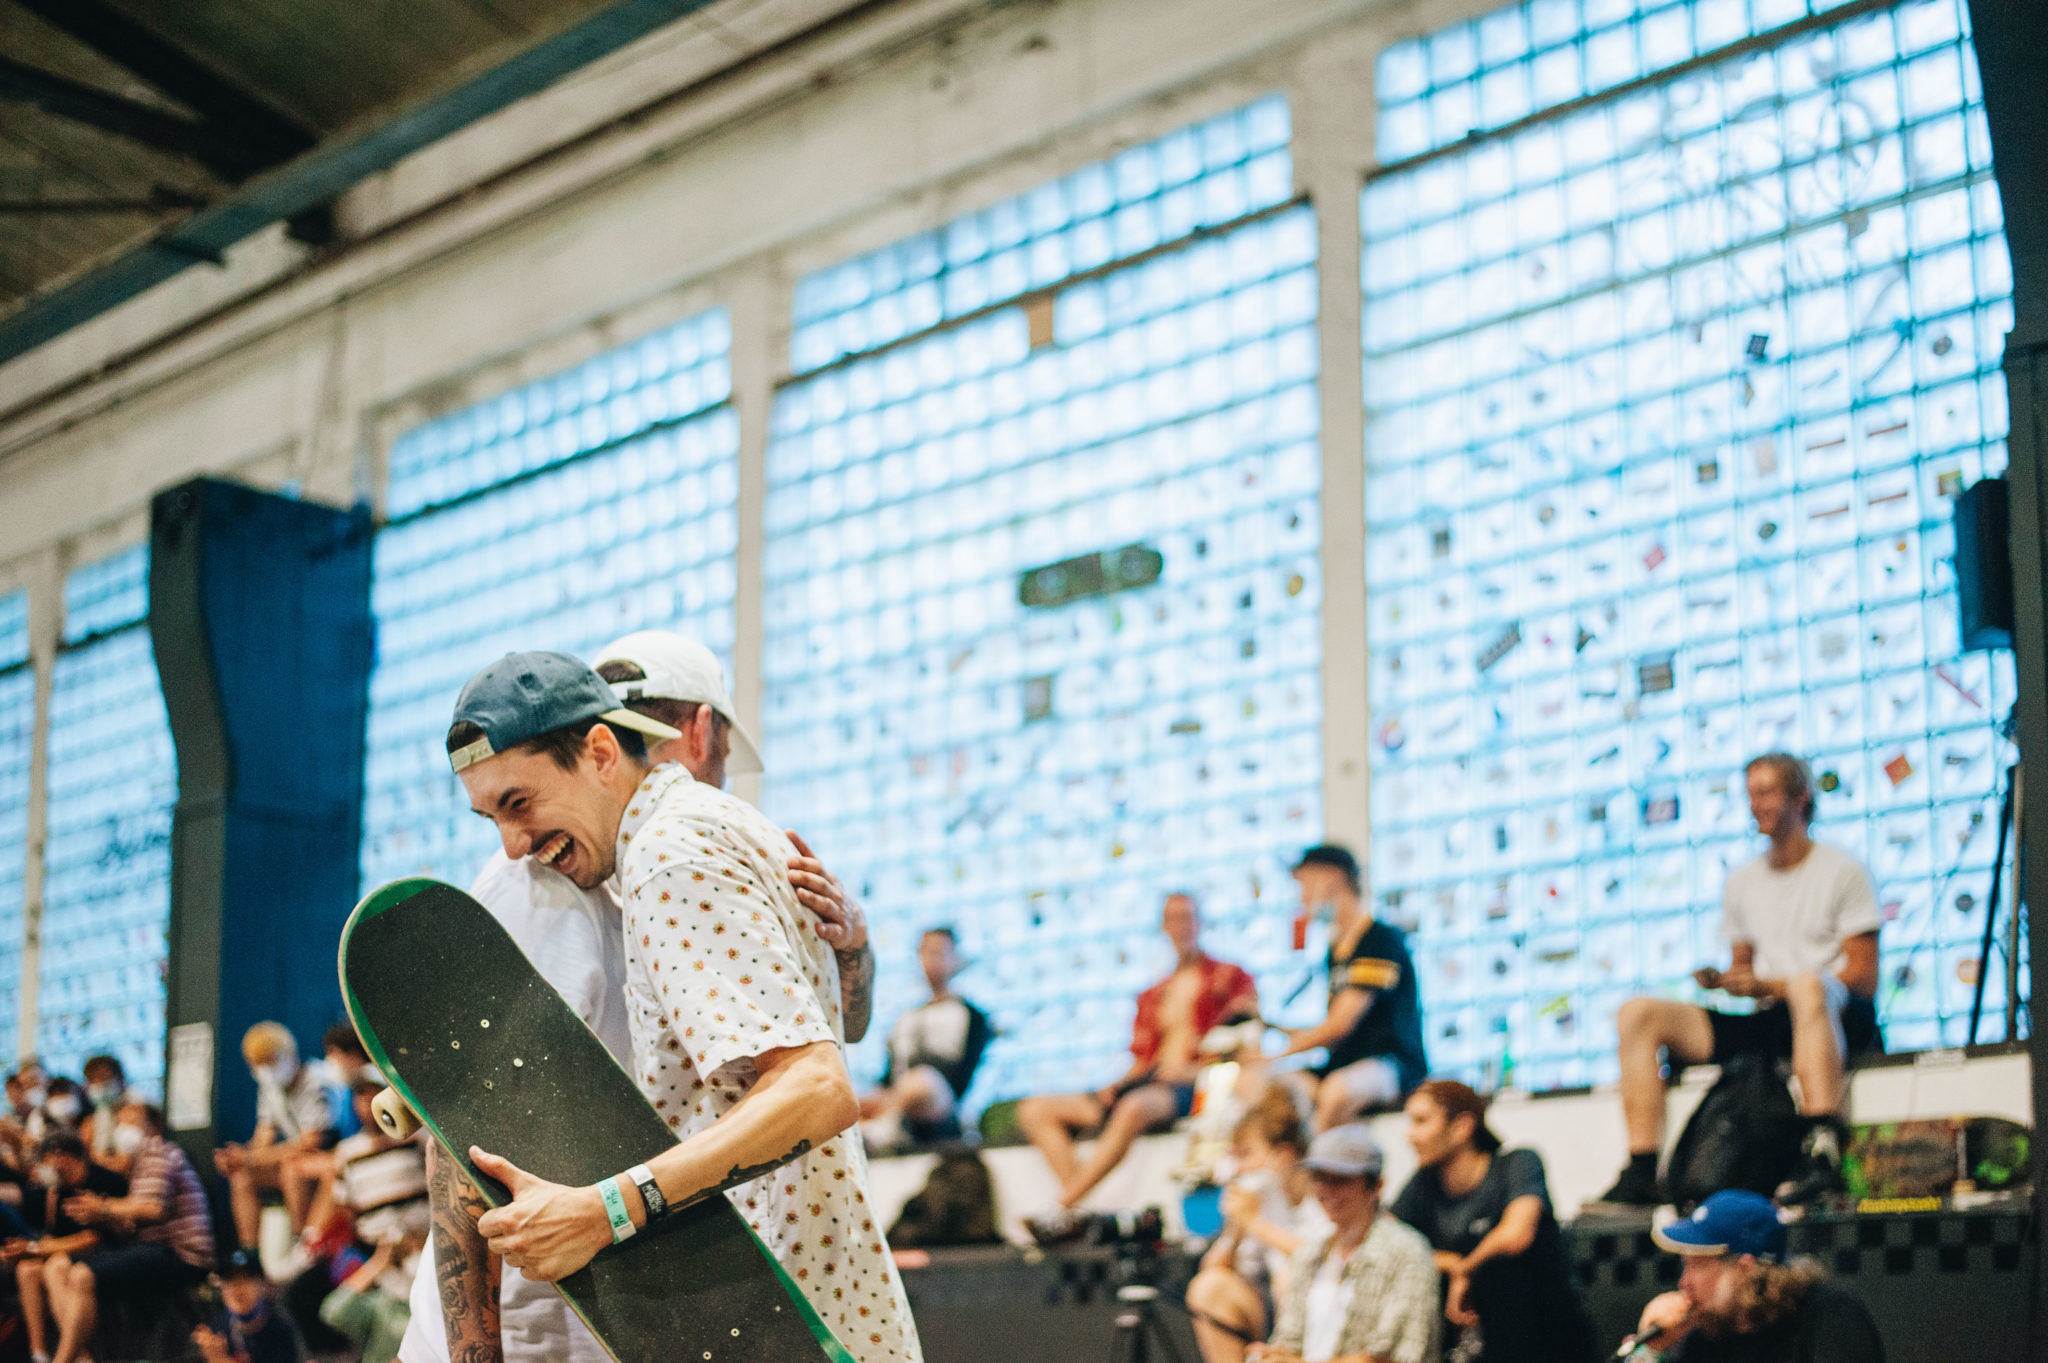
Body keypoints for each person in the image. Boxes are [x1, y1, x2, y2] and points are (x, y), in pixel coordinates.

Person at [436, 651, 920, 1363]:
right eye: (492, 817)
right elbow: (832, 1035)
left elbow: (817, 1088)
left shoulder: (669, 854)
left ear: (601, 750)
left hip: (781, 1315)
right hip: (811, 1304)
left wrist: (605, 1209)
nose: (514, 845)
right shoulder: (710, 826)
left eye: (520, 802)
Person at [1598, 754, 1882, 1208]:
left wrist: (1778, 985)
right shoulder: (1742, 881)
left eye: (1766, 793)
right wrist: (1726, 981)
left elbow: (1864, 978)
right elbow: (1745, 972)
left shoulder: (1842, 870)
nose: (1756, 805)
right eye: (1751, 795)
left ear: (1799, 797)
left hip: (1833, 1015)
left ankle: (1821, 1146)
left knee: (1809, 986)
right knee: (1638, 1013)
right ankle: (1642, 1169)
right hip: (1768, 1020)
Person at [1019, 893, 1258, 1235]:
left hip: (1194, 1085)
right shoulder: (1153, 993)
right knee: (1036, 1110)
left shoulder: (1231, 978)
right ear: (1164, 927)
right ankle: (1081, 1209)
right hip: (1150, 1079)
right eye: (1174, 918)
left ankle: (1063, 1206)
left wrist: (1193, 1070)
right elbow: (1142, 1058)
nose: (1182, 926)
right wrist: (1115, 1084)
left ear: (1201, 921)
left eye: (1188, 917)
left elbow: (1246, 1047)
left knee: (1132, 1108)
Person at [1390, 1080, 1595, 1363]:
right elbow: (1390, 1241)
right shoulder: (1424, 1182)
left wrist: (1466, 1269)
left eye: (1421, 1121)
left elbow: (1515, 1236)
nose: (1410, 1135)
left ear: (1462, 1126)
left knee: (1502, 1273)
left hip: (1548, 1338)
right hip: (1475, 1341)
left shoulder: (1518, 1162)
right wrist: (1451, 1264)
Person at [1248, 1124, 1440, 1363]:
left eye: (1341, 1179)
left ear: (1376, 1186)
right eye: (1319, 1177)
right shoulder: (1311, 1253)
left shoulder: (1406, 1251)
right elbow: (1288, 1342)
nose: (1327, 1190)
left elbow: (1398, 1356)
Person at [40, 1101, 216, 1363]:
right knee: (57, 1268)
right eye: (120, 1121)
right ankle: (82, 1358)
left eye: (132, 1119)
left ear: (153, 1126)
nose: (124, 1127)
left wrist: (104, 1207)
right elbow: (131, 1225)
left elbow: (155, 1209)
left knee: (82, 1275)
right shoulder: (132, 1166)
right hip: (149, 1250)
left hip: (181, 1254)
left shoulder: (159, 1151)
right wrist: (99, 1215)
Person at [1272, 845, 1428, 1133]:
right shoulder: (1334, 950)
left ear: (1331, 878)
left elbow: (1340, 1025)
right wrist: (1268, 1027)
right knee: (1274, 1089)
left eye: (1304, 885)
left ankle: (1314, 1171)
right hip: (1344, 1063)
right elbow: (1331, 1031)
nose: (1301, 898)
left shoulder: (1380, 940)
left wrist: (1273, 1055)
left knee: (1336, 1091)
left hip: (1391, 1063)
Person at [1624, 1190, 1882, 1363]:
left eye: (1698, 1266)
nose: (1684, 1282)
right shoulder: (1706, 1336)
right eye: (1685, 1265)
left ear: (1744, 1270)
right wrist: (1650, 1351)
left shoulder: (1830, 1316)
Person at [1186, 1087, 1330, 1363]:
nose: (1237, 1168)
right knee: (1209, 1287)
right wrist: (1236, 1228)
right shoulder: (1260, 1199)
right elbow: (1212, 1270)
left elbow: (1321, 1255)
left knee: (1289, 1278)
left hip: (1326, 1306)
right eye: (1234, 1156)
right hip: (1269, 1310)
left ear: (1284, 1154)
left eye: (1246, 1154)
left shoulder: (1323, 1193)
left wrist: (1254, 1222)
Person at [860, 927, 993, 1150]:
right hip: (900, 1098)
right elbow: (890, 1074)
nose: (930, 960)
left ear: (956, 958)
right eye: (925, 952)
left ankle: (883, 1130)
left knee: (922, 1081)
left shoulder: (972, 1015)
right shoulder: (905, 1017)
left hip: (944, 1108)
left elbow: (969, 1077)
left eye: (938, 952)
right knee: (848, 1100)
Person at [6, 1130, 130, 1363]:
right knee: (27, 1270)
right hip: (67, 1250)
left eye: (44, 1160)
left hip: (106, 1252)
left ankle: (78, 1357)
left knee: (57, 1267)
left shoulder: (103, 1181)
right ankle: (39, 1353)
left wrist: (36, 1249)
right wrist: (29, 1247)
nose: (42, 1168)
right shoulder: (60, 1188)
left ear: (60, 1156)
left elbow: (92, 1238)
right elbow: (57, 1236)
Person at [214, 1021, 336, 1248]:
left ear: (289, 1055)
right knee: (242, 1176)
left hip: (328, 1153)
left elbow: (312, 1141)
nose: (265, 1072)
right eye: (258, 1065)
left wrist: (251, 1158)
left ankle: (302, 1247)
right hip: (301, 1155)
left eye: (270, 1063)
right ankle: (249, 1254)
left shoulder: (318, 1079)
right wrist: (239, 1157)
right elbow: (263, 1138)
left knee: (293, 1169)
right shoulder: (270, 1089)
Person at [322, 1232, 421, 1363]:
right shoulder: (384, 1304)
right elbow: (333, 1312)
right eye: (405, 1255)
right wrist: (376, 1264)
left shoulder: (439, 1303)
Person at [194, 1249, 304, 1363]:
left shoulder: (281, 1328)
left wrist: (222, 1360)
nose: (237, 1286)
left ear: (263, 1284)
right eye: (229, 1278)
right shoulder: (218, 1329)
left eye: (246, 1277)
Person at [76, 1056, 128, 1166]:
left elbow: (124, 1162)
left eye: (104, 1077)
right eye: (92, 1079)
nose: (99, 1083)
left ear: (120, 1078)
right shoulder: (94, 1115)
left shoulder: (137, 1106)